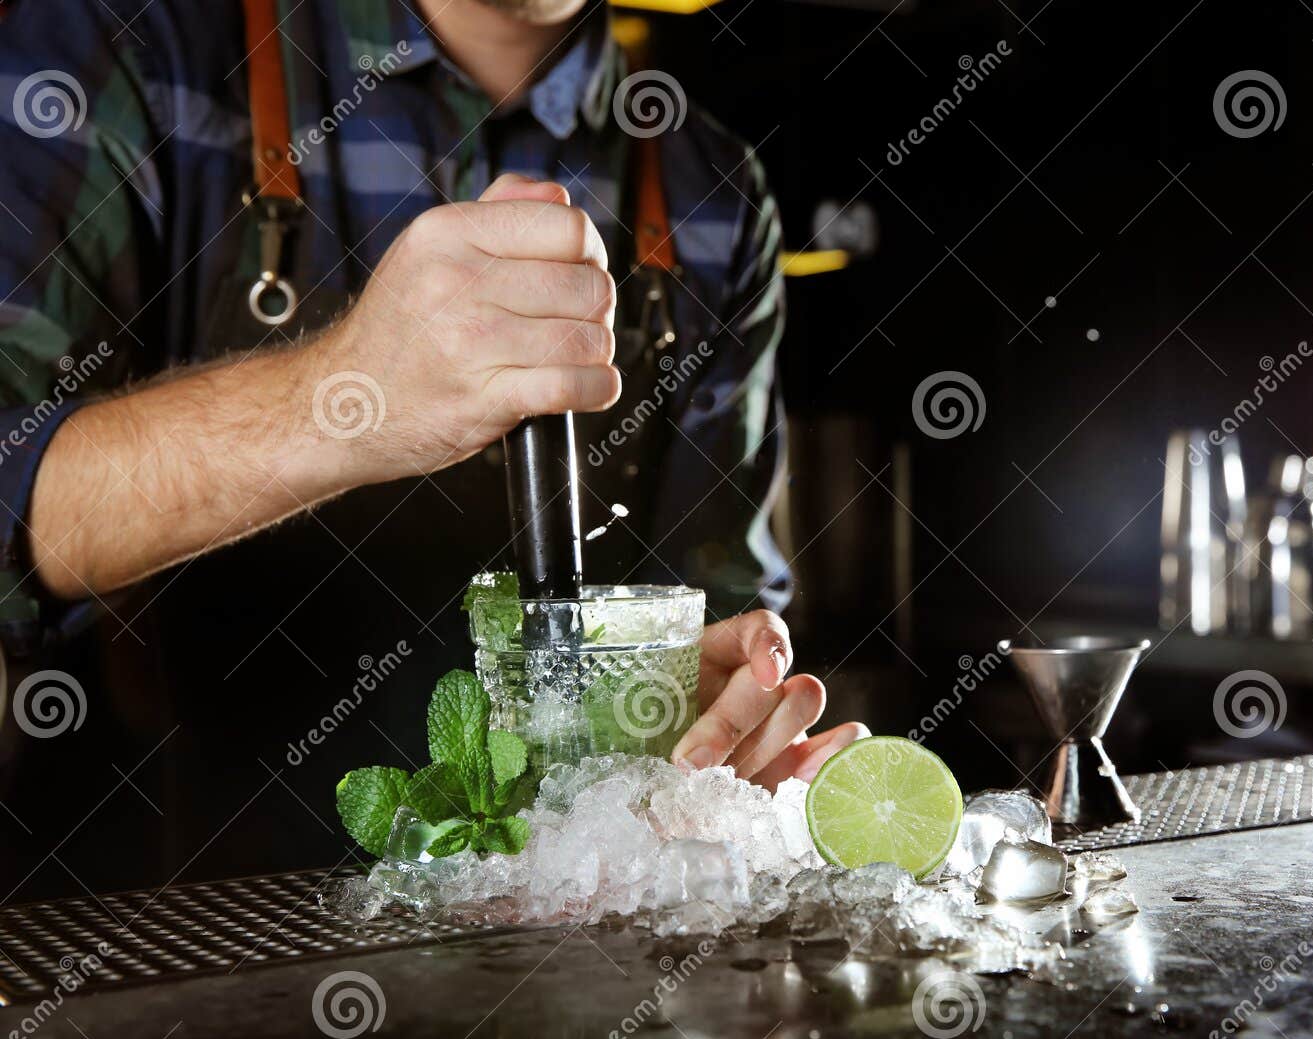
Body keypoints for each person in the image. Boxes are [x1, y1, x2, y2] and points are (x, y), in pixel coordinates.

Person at [0, 0, 865, 885]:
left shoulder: (711, 191)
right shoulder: (131, 51)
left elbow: (713, 604)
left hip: (543, 939)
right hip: (152, 928)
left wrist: (720, 717)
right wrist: (344, 398)